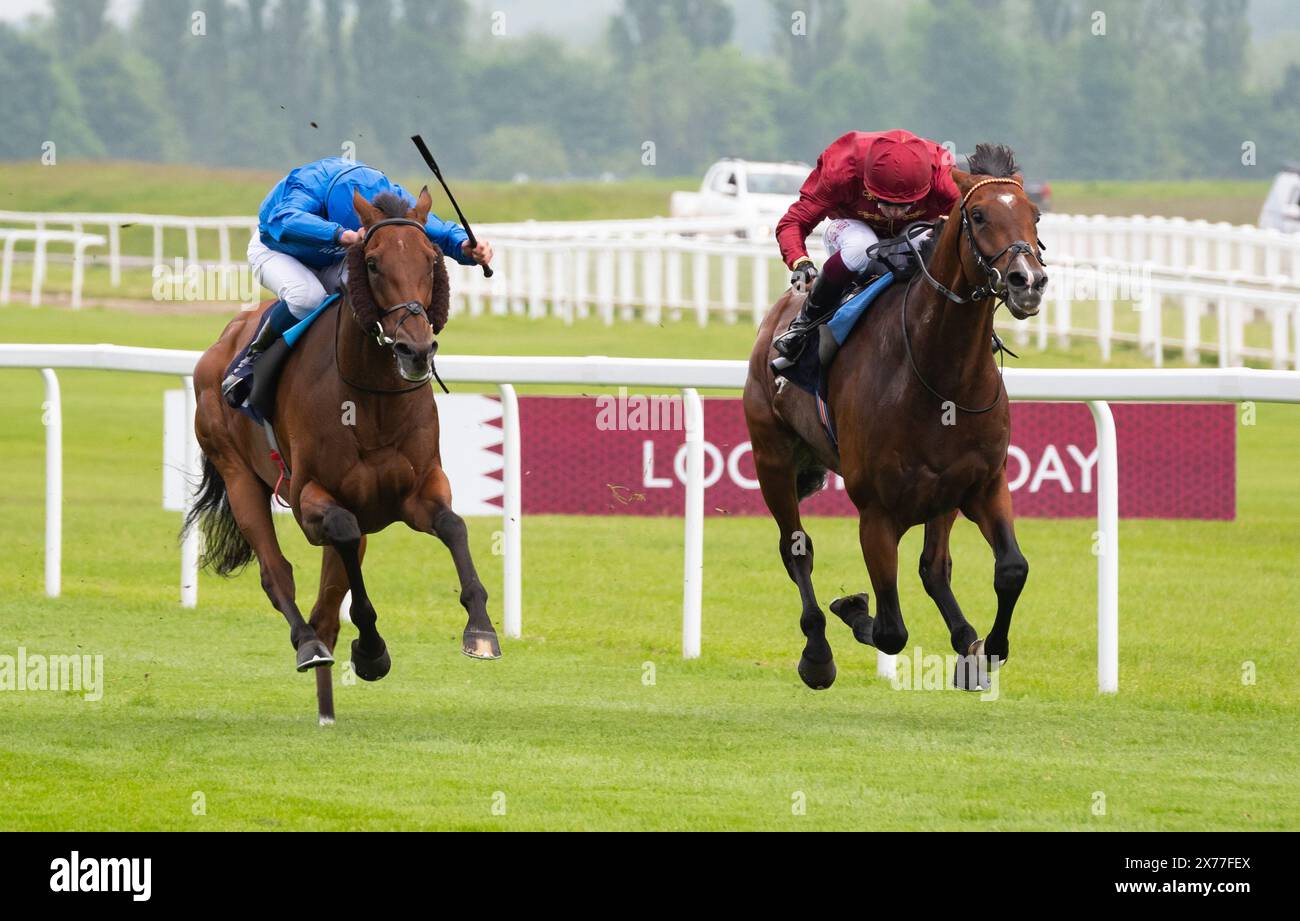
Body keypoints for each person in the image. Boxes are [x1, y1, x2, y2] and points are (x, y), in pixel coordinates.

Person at [221, 156, 493, 407]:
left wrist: (466, 246)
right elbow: (284, 220)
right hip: (278, 250)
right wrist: (342, 235)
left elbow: (435, 229)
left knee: (375, 288)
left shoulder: (392, 198)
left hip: (337, 254)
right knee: (307, 297)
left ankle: (390, 360)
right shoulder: (309, 184)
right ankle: (250, 359)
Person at [772, 129, 959, 360]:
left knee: (927, 241)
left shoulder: (942, 175)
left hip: (913, 231)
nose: (895, 212)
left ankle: (966, 320)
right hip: (852, 229)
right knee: (861, 246)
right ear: (866, 181)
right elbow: (794, 222)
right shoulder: (842, 168)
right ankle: (806, 321)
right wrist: (800, 262)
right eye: (886, 202)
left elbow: (972, 222)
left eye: (905, 204)